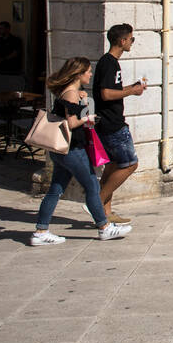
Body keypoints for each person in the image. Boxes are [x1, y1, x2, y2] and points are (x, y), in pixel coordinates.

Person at [30, 57, 132, 245]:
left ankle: (41, 231)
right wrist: (87, 118)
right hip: (72, 149)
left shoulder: (73, 92)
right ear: (78, 74)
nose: (90, 74)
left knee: (55, 190)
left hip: (62, 150)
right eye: (87, 72)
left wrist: (84, 103)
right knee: (92, 186)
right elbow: (71, 123)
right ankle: (104, 227)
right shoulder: (70, 93)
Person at [91, 24, 146, 226]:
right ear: (122, 41)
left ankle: (106, 211)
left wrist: (133, 88)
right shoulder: (109, 63)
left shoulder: (110, 63)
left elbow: (111, 89)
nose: (132, 42)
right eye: (131, 39)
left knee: (113, 165)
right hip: (112, 123)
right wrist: (131, 92)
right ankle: (96, 203)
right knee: (130, 164)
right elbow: (106, 94)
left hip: (108, 122)